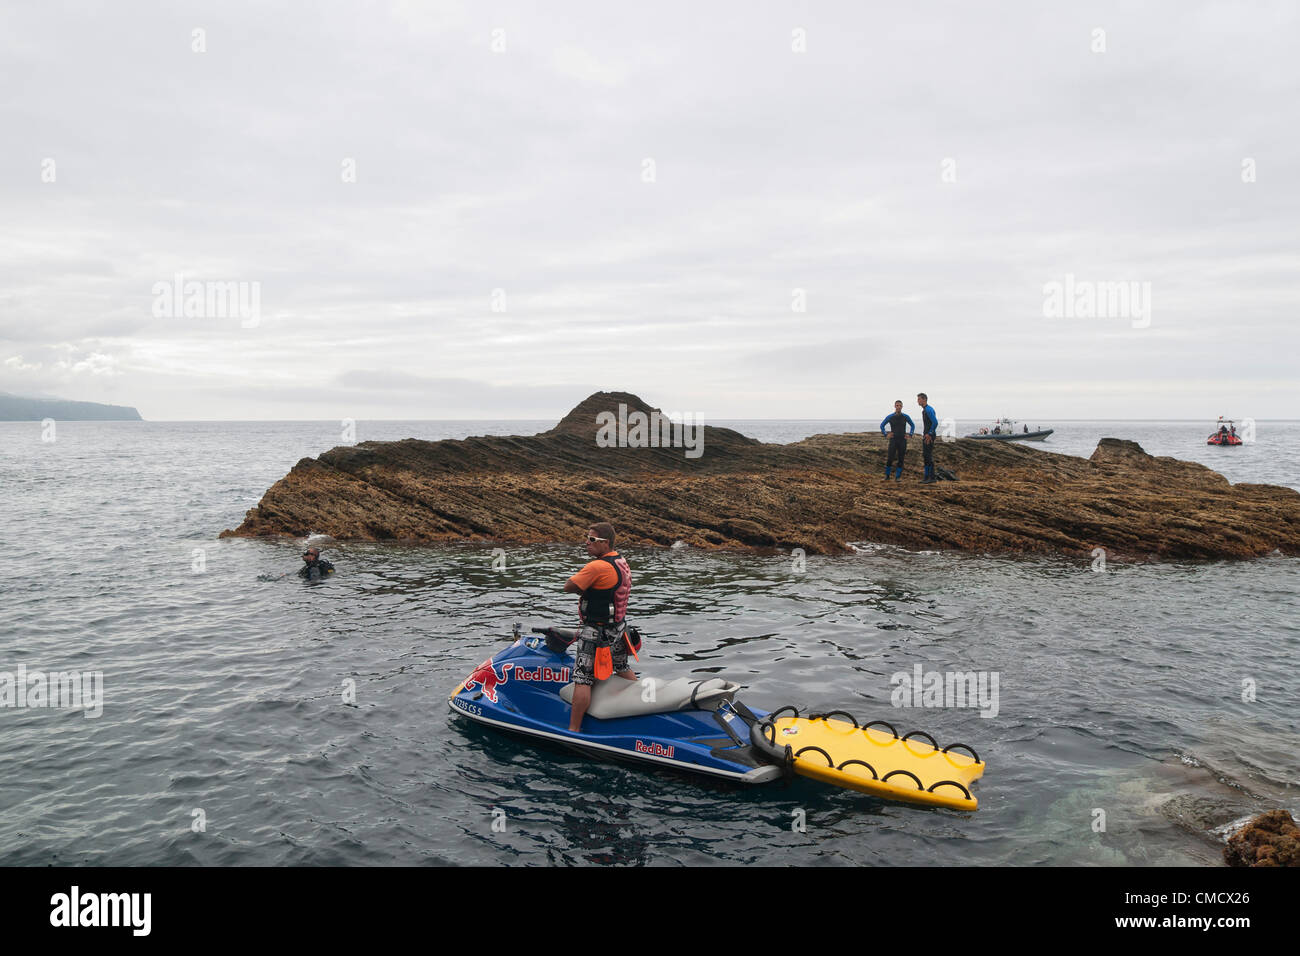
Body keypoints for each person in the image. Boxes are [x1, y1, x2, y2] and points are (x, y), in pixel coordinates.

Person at [562, 522, 634, 732]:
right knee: (622, 668)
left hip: (596, 632)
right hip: (618, 630)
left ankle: (573, 729)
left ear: (605, 543)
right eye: (587, 538)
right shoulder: (620, 561)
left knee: (582, 678)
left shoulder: (597, 566)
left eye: (592, 540)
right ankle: (641, 704)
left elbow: (569, 586)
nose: (587, 543)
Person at [879, 400, 914, 481]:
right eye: (897, 405)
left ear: (902, 407)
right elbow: (882, 425)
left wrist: (910, 434)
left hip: (902, 440)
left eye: (900, 405)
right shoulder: (890, 416)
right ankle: (887, 476)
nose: (898, 407)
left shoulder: (905, 416)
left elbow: (912, 425)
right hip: (893, 440)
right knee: (890, 458)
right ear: (895, 406)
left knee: (901, 459)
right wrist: (886, 434)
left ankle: (897, 477)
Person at [917, 393, 938, 484]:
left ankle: (932, 477)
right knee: (925, 456)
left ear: (924, 399)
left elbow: (935, 422)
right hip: (926, 435)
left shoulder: (929, 410)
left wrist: (929, 433)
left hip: (929, 436)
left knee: (928, 456)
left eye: (919, 399)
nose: (917, 401)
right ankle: (926, 477)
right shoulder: (924, 410)